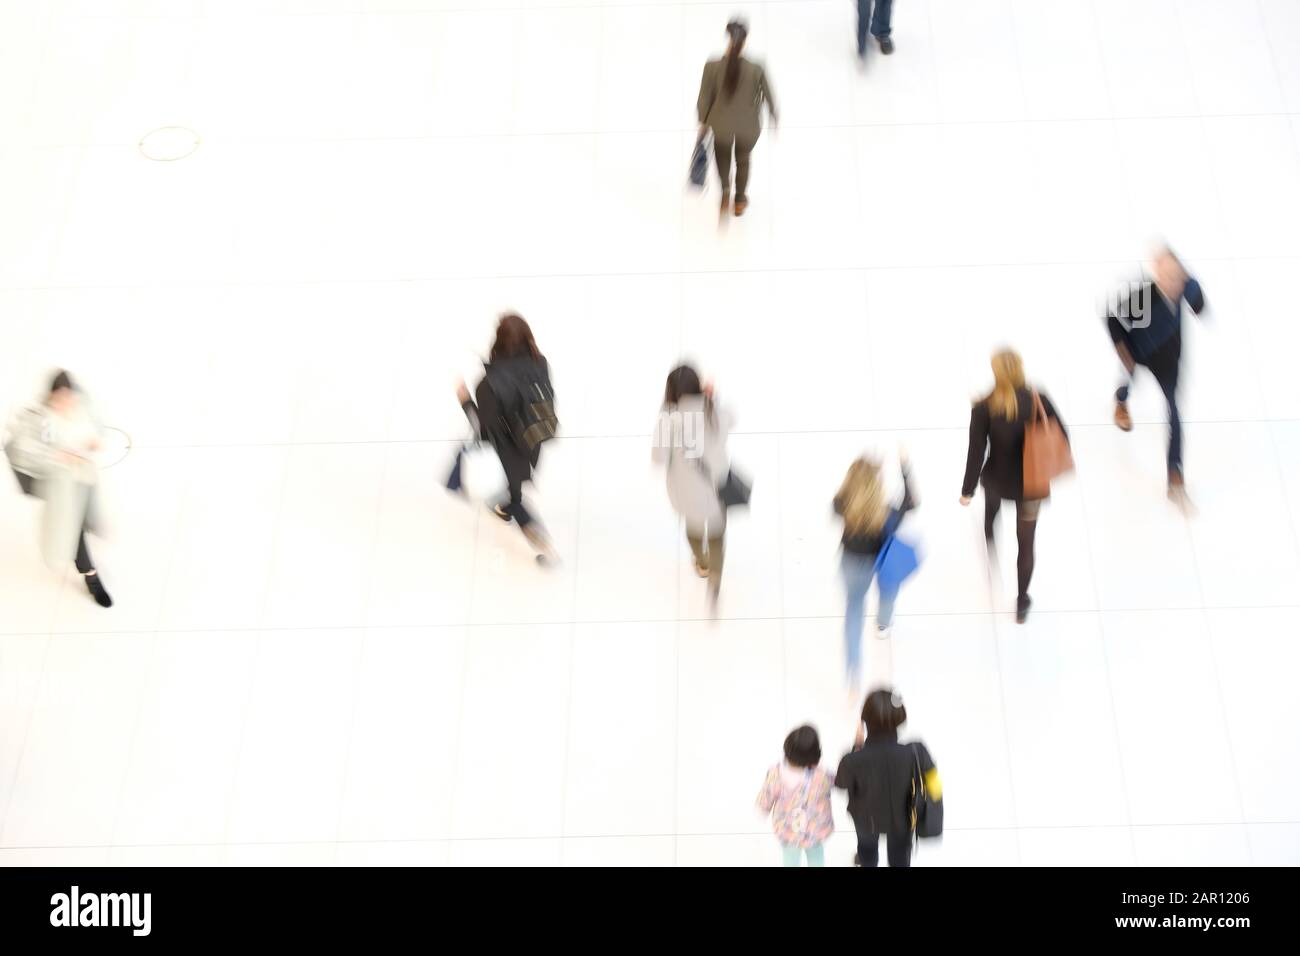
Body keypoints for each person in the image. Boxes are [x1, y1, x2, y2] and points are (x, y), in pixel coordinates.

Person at [961, 349, 1068, 624]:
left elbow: (976, 452)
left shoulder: (984, 406)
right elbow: (1062, 434)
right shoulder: (1037, 398)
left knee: (991, 511)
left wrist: (967, 490)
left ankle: (990, 545)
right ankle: (1021, 601)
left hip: (996, 480)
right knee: (1026, 543)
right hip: (1032, 485)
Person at [1107, 246, 1206, 510]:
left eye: (1177, 275)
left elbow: (1200, 308)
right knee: (1128, 381)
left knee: (1174, 413)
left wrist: (1192, 286)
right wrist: (1124, 352)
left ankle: (1175, 480)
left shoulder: (1187, 287)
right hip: (1140, 352)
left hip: (1168, 362)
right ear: (1157, 274)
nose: (1173, 282)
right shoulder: (1145, 296)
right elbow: (1113, 320)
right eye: (1167, 275)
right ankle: (1120, 402)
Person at [456, 314, 558, 566]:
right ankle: (505, 507)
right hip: (533, 440)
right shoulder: (540, 363)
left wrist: (465, 400)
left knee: (515, 498)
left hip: (507, 450)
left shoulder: (490, 383)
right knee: (512, 489)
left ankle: (544, 544)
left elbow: (482, 426)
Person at [4, 371, 112, 607]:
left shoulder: (82, 410)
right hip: (60, 487)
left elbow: (93, 430)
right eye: (59, 398)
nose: (65, 403)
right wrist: (58, 457)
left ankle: (85, 564)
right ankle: (90, 574)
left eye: (68, 397)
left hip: (83, 478)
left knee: (83, 520)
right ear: (51, 396)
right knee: (74, 528)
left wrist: (91, 443)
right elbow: (26, 451)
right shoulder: (42, 419)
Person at [651, 365, 733, 609]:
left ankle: (703, 562)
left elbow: (658, 458)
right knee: (717, 530)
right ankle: (716, 573)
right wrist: (712, 398)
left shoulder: (668, 417)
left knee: (694, 528)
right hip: (716, 485)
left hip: (686, 489)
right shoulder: (713, 409)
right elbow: (732, 419)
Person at [834, 453, 916, 690]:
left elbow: (836, 506)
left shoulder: (842, 503)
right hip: (882, 560)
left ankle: (853, 672)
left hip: (851, 562)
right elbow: (911, 501)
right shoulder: (887, 512)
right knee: (889, 592)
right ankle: (882, 623)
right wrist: (905, 470)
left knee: (853, 610)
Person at [835, 689, 940, 868]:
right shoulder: (917, 751)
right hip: (904, 816)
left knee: (867, 848)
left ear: (865, 721)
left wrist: (856, 747)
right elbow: (935, 786)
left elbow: (841, 784)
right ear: (900, 718)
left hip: (866, 819)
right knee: (900, 853)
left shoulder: (852, 760)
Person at [696, 19, 778, 218]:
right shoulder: (757, 68)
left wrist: (703, 123)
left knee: (722, 156)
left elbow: (703, 100)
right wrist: (775, 117)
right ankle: (740, 200)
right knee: (743, 160)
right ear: (745, 40)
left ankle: (725, 190)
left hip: (721, 124)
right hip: (748, 127)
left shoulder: (712, 66)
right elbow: (769, 96)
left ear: (728, 38)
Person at [756, 725, 836, 867]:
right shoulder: (822, 775)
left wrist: (762, 810)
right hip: (815, 830)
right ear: (815, 755)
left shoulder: (775, 774)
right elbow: (837, 781)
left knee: (790, 860)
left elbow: (766, 797)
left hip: (788, 830)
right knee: (816, 858)